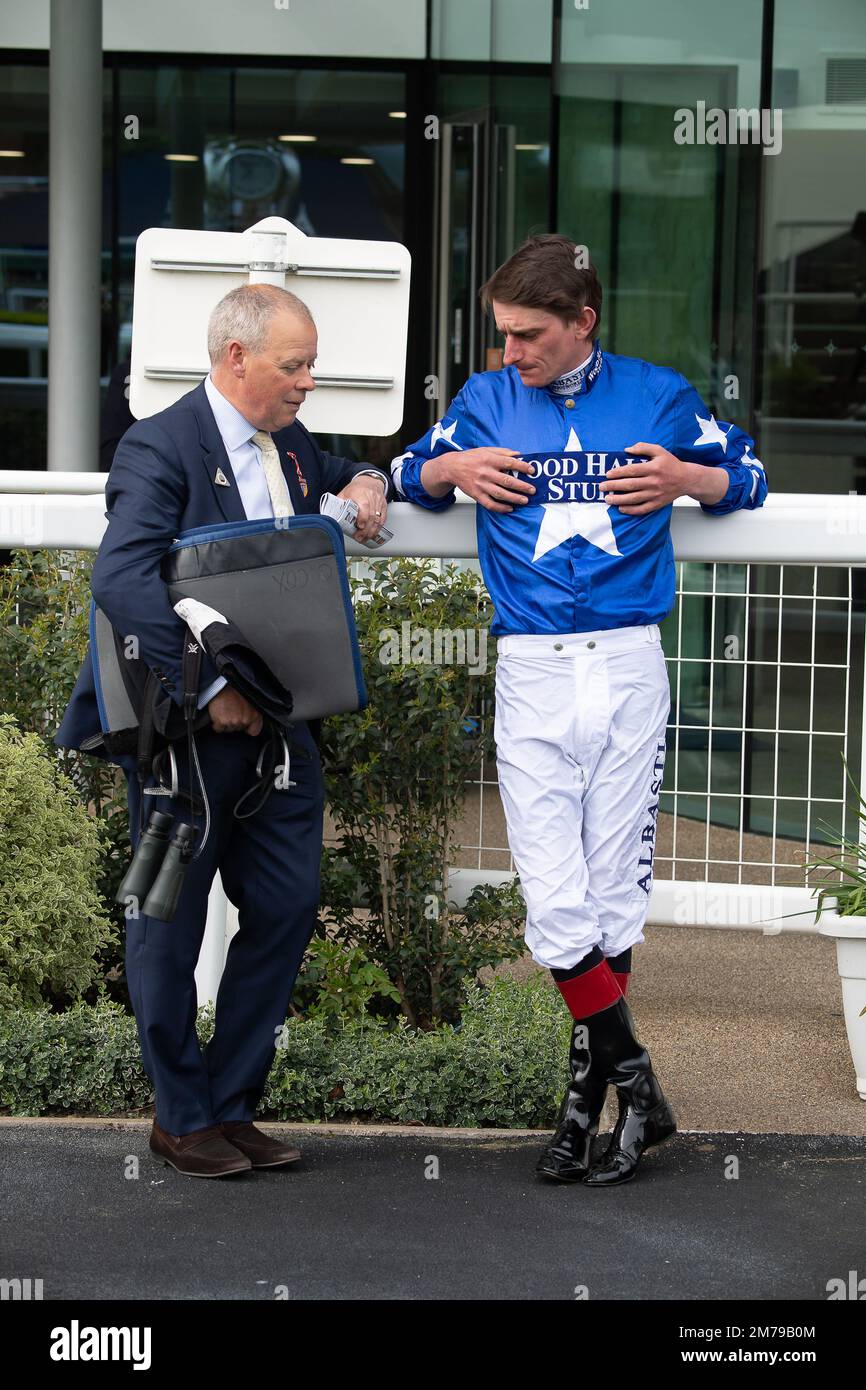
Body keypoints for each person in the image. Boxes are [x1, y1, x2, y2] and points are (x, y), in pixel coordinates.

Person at [391, 234, 767, 1186]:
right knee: (556, 901)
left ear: (582, 322)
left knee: (610, 898)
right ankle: (635, 1080)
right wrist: (449, 474)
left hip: (631, 665)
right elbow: (406, 472)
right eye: (504, 335)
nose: (511, 352)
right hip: (533, 670)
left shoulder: (659, 393)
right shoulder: (482, 403)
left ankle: (583, 1107)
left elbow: (750, 478)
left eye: (529, 335)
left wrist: (691, 480)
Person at [55, 283, 390, 1178]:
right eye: (295, 365)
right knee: (158, 917)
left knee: (285, 909)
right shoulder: (156, 446)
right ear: (236, 358)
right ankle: (179, 1117)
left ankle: (232, 1105)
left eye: (311, 364)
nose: (308, 382)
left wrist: (368, 477)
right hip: (176, 744)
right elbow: (123, 580)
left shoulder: (293, 444)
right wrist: (207, 691)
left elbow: (332, 485)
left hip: (281, 736)